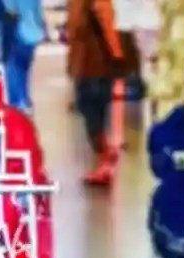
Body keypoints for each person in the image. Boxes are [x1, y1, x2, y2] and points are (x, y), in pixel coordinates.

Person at [66, 0, 133, 185]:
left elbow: (104, 20)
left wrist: (117, 55)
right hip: (91, 63)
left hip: (94, 64)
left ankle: (106, 162)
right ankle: (105, 162)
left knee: (94, 116)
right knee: (95, 115)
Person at [0, 0, 46, 112]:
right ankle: (24, 100)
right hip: (33, 32)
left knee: (13, 67)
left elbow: (11, 10)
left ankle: (18, 105)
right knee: (24, 68)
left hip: (19, 30)